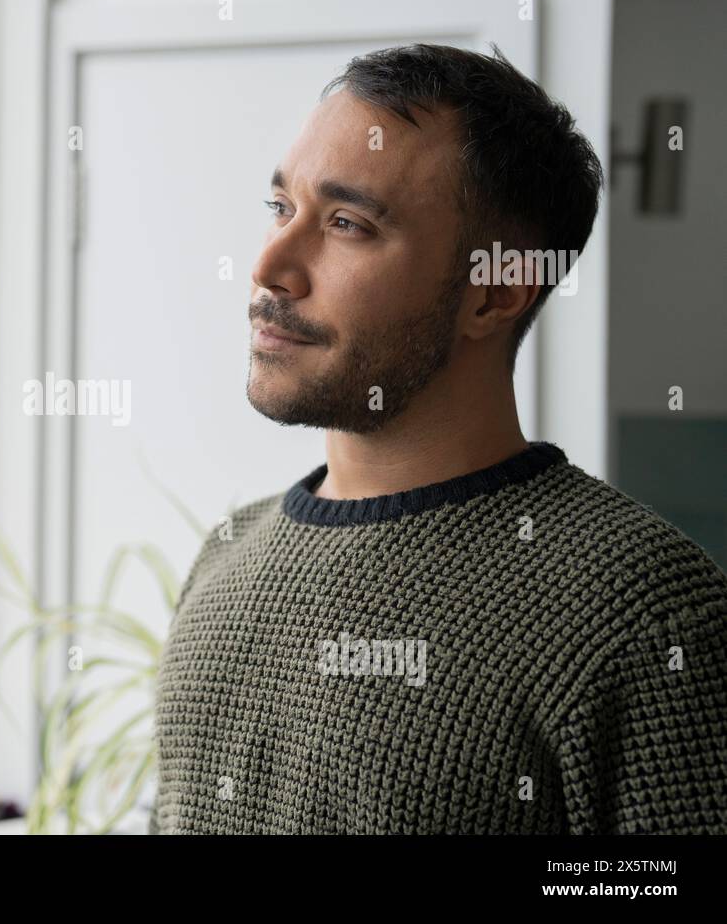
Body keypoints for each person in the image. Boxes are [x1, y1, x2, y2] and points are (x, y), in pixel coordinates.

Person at [149, 43, 727, 834]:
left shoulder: (646, 613)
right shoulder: (225, 559)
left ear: (493, 293)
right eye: (282, 209)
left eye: (348, 224)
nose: (270, 267)